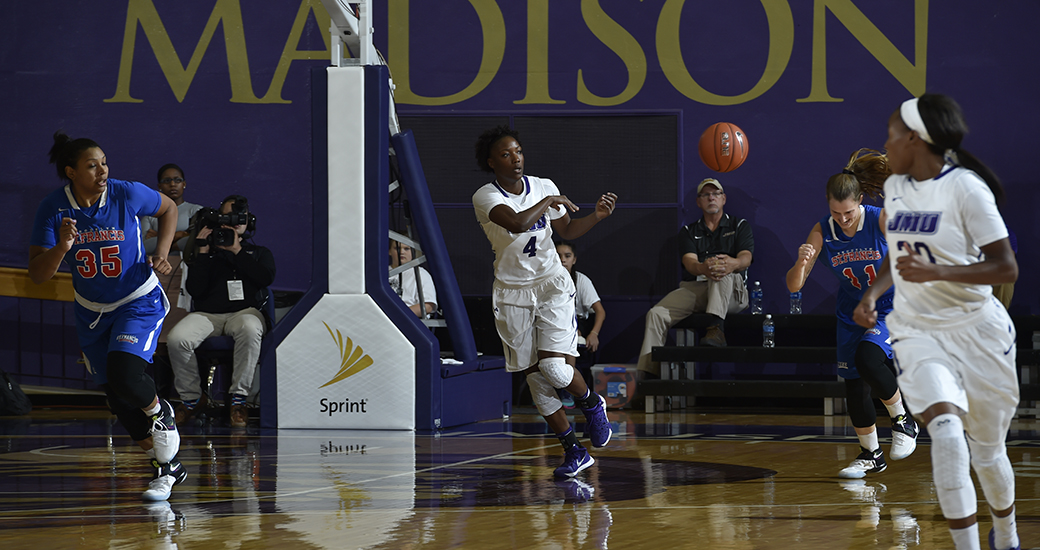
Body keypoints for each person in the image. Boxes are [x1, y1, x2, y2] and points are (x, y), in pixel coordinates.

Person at [854, 94, 1020, 550]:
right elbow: (898, 252)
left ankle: (1006, 533)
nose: (885, 145)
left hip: (977, 329)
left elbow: (1006, 267)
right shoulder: (895, 191)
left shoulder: (966, 188)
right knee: (946, 437)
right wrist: (872, 292)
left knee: (987, 453)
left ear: (915, 138)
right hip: (921, 329)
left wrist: (941, 272)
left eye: (891, 136)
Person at [29, 131, 185, 501]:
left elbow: (169, 209)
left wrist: (161, 251)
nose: (102, 170)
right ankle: (168, 468)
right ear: (71, 172)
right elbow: (38, 274)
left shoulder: (124, 192)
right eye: (91, 165)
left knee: (126, 374)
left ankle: (162, 412)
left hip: (136, 299)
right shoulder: (53, 208)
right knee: (117, 397)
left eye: (104, 162)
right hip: (91, 310)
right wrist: (62, 247)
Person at [472, 125, 617, 478]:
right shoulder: (485, 197)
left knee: (554, 369)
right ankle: (574, 451)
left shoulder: (543, 184)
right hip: (512, 293)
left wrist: (595, 217)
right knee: (536, 381)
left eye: (518, 151)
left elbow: (565, 231)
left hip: (551, 284)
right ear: (492, 162)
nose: (516, 158)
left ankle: (592, 405)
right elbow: (520, 223)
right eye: (506, 154)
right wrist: (549, 202)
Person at [785, 148, 919, 479]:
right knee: (854, 384)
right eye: (836, 212)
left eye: (848, 213)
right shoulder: (822, 231)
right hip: (850, 312)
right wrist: (802, 263)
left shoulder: (880, 218)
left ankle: (904, 421)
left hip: (889, 306)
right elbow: (793, 286)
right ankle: (871, 454)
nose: (843, 219)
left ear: (860, 200)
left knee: (868, 359)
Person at [168, 195, 276, 429]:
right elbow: (195, 290)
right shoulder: (206, 252)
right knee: (177, 339)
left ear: (250, 222)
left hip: (245, 312)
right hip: (209, 315)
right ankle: (192, 399)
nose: (235, 222)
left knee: (250, 327)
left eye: (240, 217)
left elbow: (265, 278)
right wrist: (204, 252)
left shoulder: (258, 252)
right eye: (228, 217)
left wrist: (237, 250)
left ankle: (238, 400)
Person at [636, 178, 753, 377]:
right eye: (705, 195)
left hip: (733, 293)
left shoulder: (739, 225)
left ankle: (716, 328)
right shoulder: (689, 231)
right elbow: (690, 263)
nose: (711, 198)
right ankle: (647, 376)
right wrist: (702, 267)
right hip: (699, 288)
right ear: (699, 202)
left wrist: (732, 263)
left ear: (723, 199)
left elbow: (746, 257)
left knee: (721, 270)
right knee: (657, 314)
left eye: (715, 194)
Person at [141, 164, 205, 396]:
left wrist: (163, 239)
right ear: (158, 186)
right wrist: (182, 235)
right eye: (167, 181)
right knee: (158, 337)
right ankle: (161, 393)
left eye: (177, 180)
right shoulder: (149, 214)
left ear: (184, 183)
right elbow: (143, 246)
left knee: (180, 337)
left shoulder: (196, 211)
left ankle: (187, 396)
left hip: (185, 282)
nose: (172, 185)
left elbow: (195, 245)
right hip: (156, 279)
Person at [389, 238, 437, 318]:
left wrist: (396, 315)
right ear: (389, 251)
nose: (401, 252)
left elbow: (428, 306)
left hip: (408, 322)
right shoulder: (380, 273)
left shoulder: (421, 274)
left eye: (406, 248)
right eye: (397, 248)